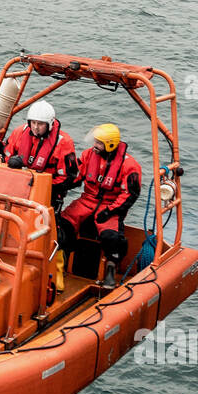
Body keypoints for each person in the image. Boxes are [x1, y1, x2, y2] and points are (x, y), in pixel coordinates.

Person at [58, 123, 141, 287]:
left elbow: (130, 194)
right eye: (95, 141)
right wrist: (61, 186)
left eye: (99, 143)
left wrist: (111, 211)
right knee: (63, 223)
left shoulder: (129, 165)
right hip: (87, 200)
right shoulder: (88, 155)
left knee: (111, 237)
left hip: (109, 205)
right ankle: (64, 258)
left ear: (110, 144)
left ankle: (111, 269)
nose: (95, 146)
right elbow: (76, 176)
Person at [0, 99, 78, 205]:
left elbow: (69, 177)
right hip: (17, 187)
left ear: (49, 124)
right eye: (33, 122)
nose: (35, 127)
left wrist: (43, 186)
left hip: (46, 193)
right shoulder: (20, 132)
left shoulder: (64, 143)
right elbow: (6, 152)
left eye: (40, 124)